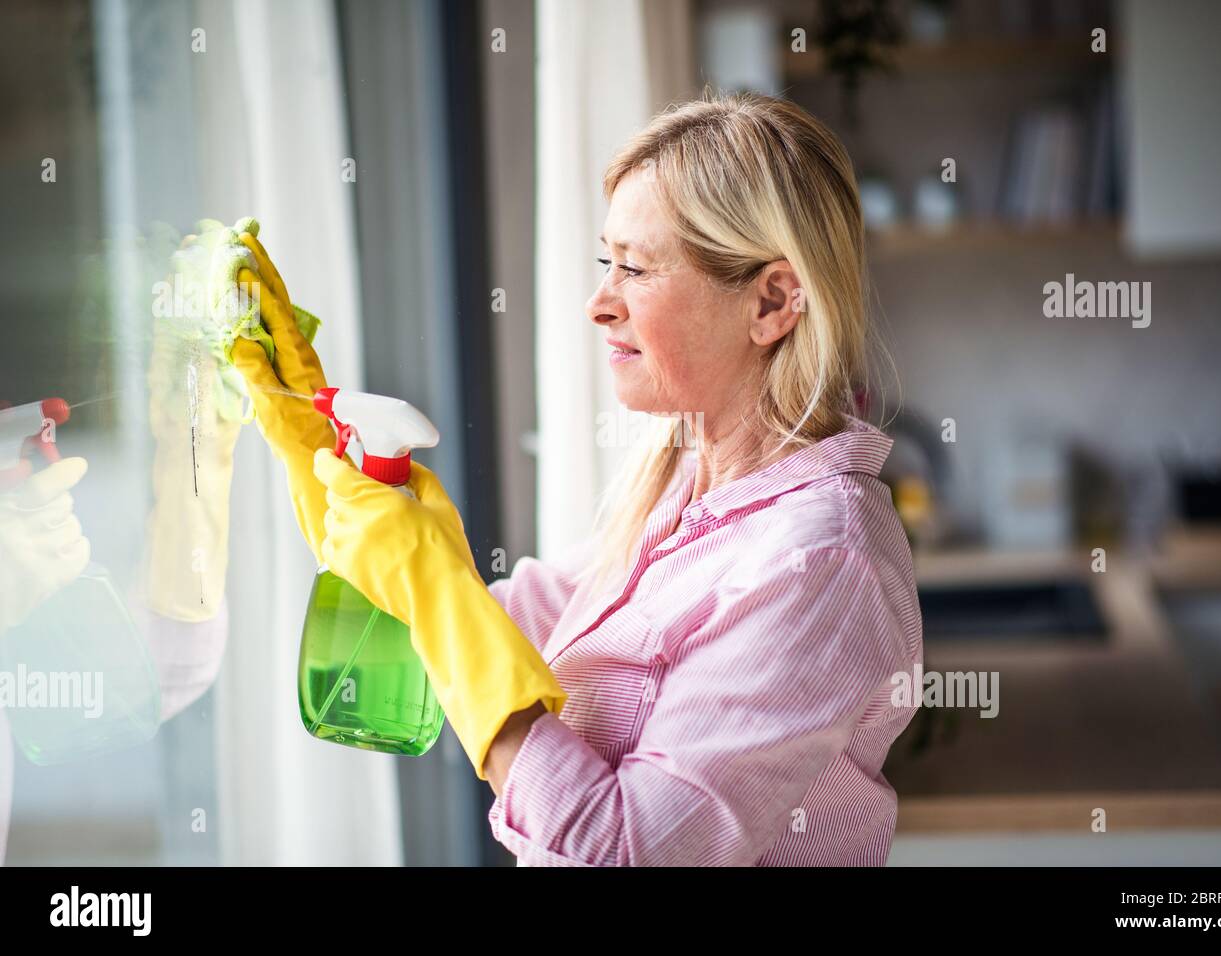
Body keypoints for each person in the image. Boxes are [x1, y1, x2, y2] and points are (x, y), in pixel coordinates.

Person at [233, 92, 923, 867]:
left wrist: (433, 585)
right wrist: (317, 451)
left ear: (771, 301)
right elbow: (469, 641)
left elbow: (620, 852)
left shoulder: (818, 563)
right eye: (607, 262)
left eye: (634, 269)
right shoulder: (685, 494)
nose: (599, 303)